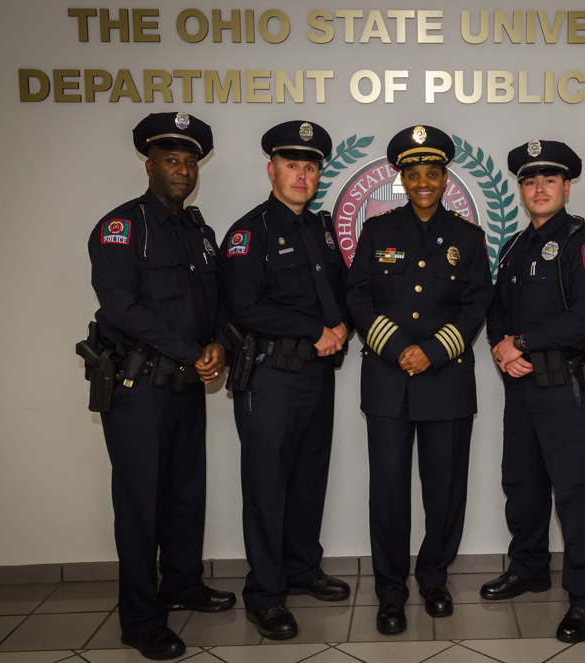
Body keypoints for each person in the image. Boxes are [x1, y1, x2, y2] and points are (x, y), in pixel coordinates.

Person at [85, 112, 235, 661]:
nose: (184, 170)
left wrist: (217, 342)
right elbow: (120, 309)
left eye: (191, 161)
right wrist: (192, 352)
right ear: (148, 165)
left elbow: (215, 303)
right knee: (140, 506)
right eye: (172, 160)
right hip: (137, 388)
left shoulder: (200, 233)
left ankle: (183, 585)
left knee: (184, 494)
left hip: (185, 385)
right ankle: (141, 620)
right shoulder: (122, 228)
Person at [345, 125, 492, 635]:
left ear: (445, 178)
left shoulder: (469, 238)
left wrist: (430, 352)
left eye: (433, 173)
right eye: (414, 173)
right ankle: (390, 592)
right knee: (387, 492)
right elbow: (358, 297)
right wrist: (396, 348)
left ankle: (433, 580)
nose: (423, 181)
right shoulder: (378, 231)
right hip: (388, 381)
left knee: (445, 491)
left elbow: (477, 306)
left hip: (446, 380)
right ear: (401, 179)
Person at [221, 120, 352, 640]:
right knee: (267, 488)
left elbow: (338, 287)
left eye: (311, 166)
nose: (302, 174)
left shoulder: (317, 229)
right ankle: (266, 594)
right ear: (271, 169)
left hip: (316, 375)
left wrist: (343, 324)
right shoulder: (248, 232)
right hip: (270, 377)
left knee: (307, 481)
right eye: (292, 165)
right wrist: (315, 329)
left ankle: (302, 569)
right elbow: (245, 306)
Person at [481, 140, 585, 643]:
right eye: (530, 181)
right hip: (522, 384)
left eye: (549, 180)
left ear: (566, 186)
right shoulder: (515, 245)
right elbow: (496, 307)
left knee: (576, 492)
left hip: (567, 386)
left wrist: (523, 342)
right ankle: (529, 567)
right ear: (520, 189)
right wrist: (500, 346)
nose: (539, 189)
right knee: (522, 482)